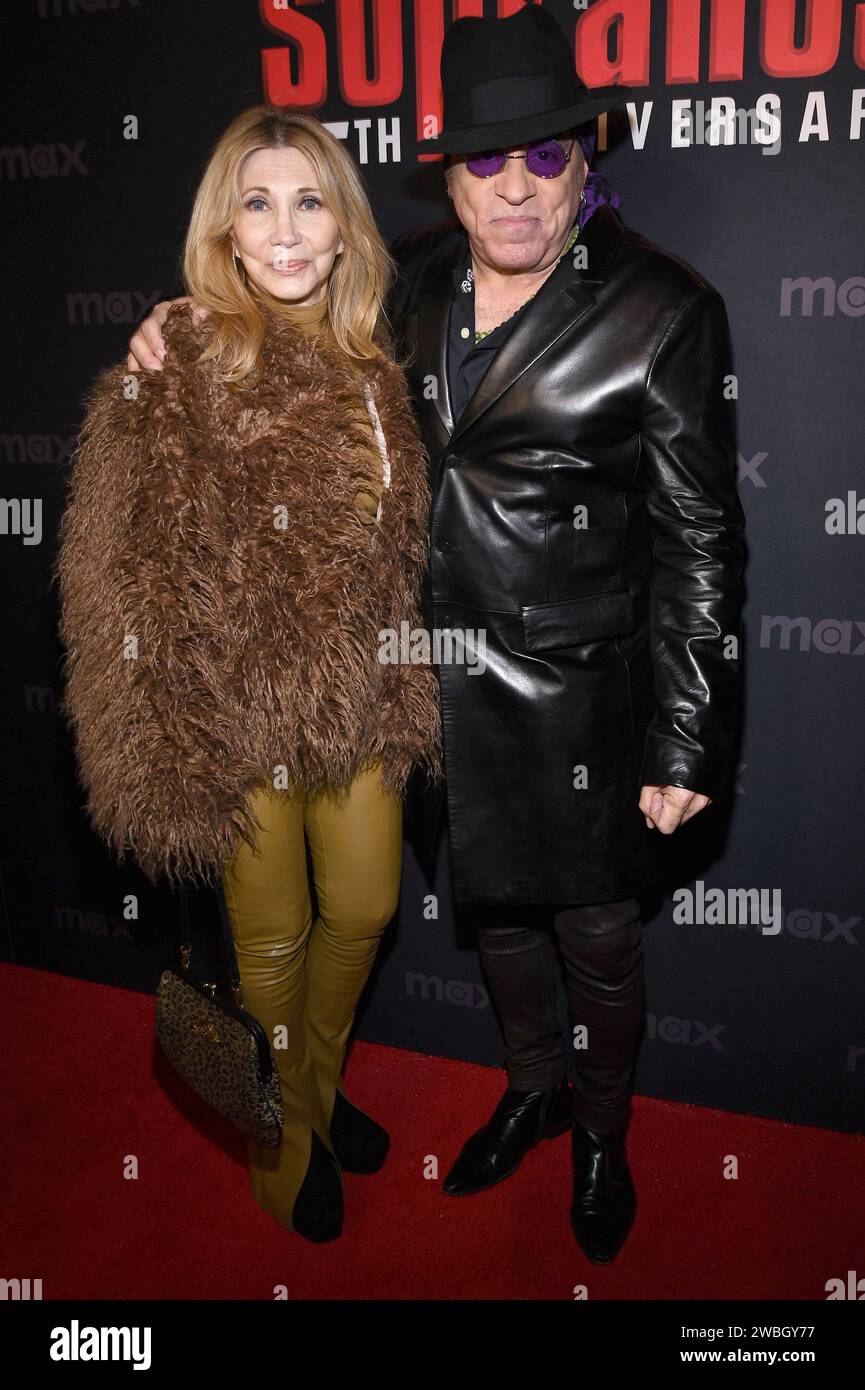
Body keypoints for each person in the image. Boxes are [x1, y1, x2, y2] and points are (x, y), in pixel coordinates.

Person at [124, 6, 746, 1265]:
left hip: (580, 705)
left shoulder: (665, 309)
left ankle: (602, 1136)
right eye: (485, 161)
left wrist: (686, 737)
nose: (515, 188)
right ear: (447, 177)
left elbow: (700, 542)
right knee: (498, 925)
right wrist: (170, 325)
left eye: (545, 157)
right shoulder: (397, 279)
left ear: (588, 156)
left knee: (597, 940)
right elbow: (276, 296)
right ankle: (529, 1092)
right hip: (433, 693)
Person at [54, 105, 441, 1245]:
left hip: (366, 699)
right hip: (235, 718)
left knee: (365, 907)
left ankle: (308, 1091)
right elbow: (124, 582)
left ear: (341, 230)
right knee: (267, 945)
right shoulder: (178, 364)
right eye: (256, 202)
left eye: (309, 201)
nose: (283, 230)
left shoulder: (376, 361)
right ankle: (281, 1148)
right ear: (223, 230)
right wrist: (171, 747)